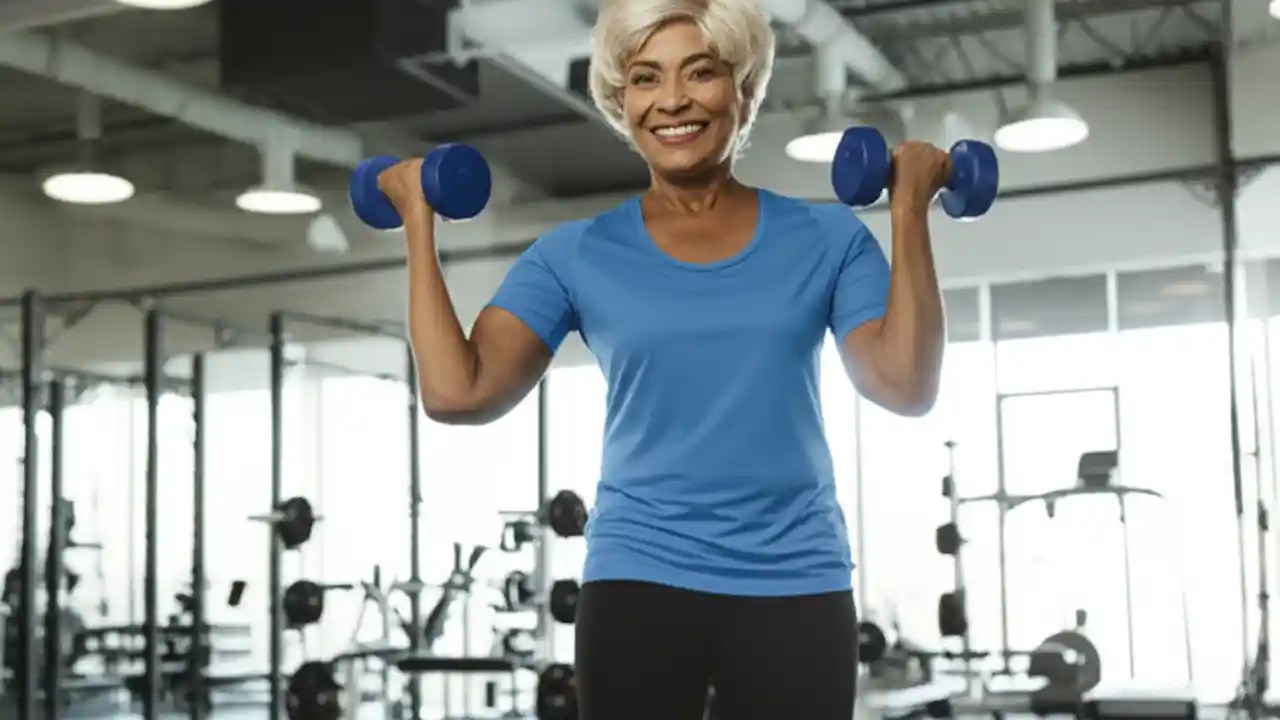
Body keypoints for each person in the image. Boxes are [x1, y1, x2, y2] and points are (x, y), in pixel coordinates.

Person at [378, 0, 949, 716]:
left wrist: (908, 213)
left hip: (794, 579)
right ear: (622, 101)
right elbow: (457, 392)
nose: (672, 100)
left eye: (700, 73)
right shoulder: (573, 253)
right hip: (639, 580)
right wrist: (416, 223)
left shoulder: (826, 239)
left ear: (743, 89)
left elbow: (904, 384)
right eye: (645, 78)